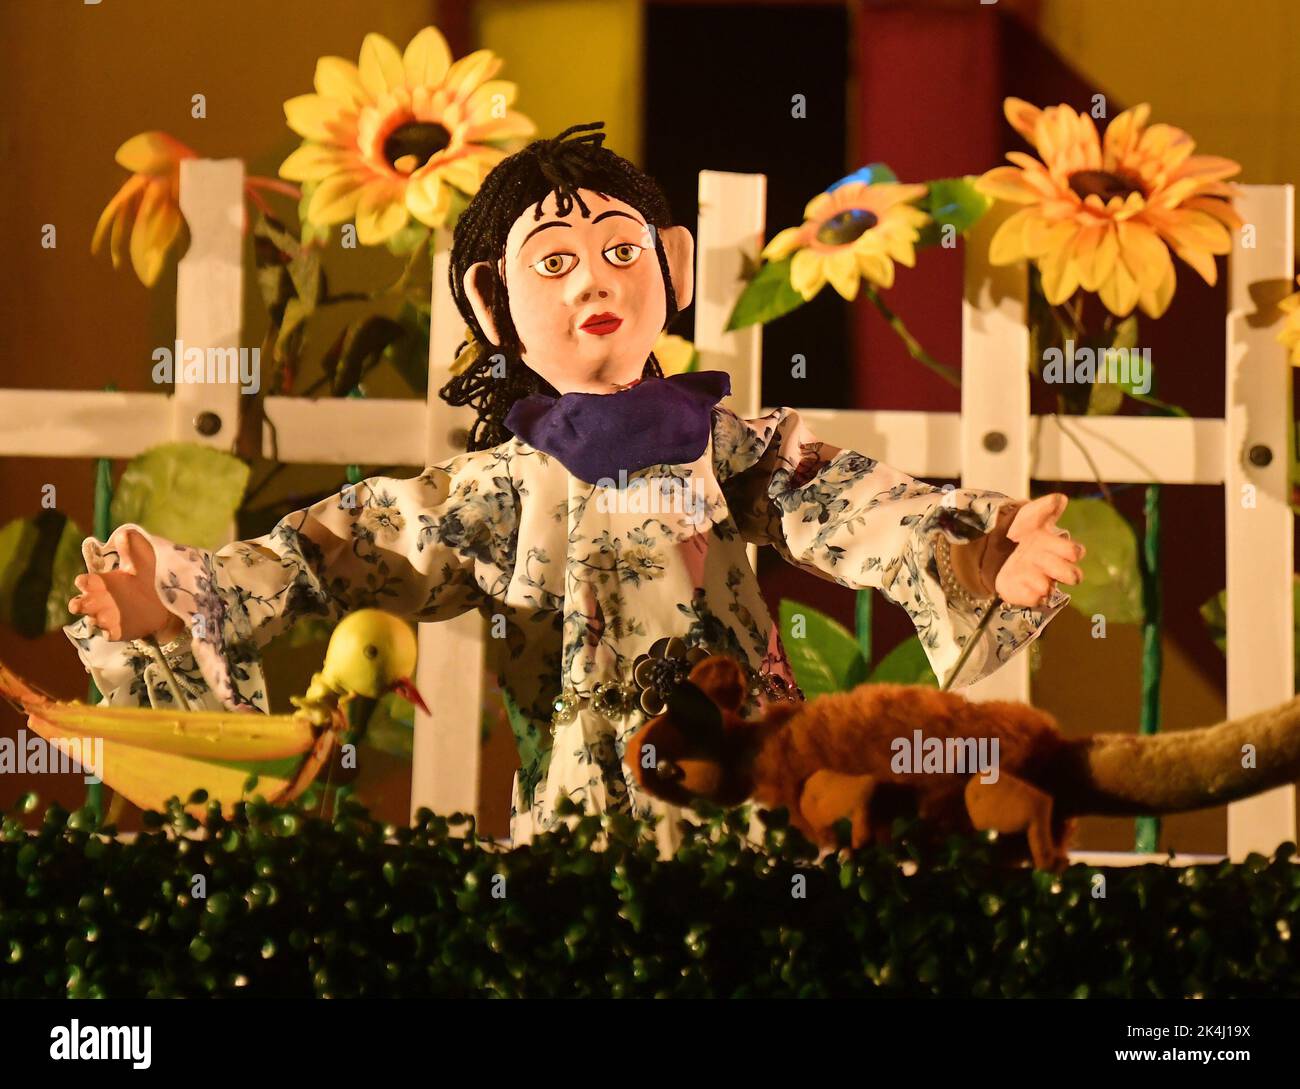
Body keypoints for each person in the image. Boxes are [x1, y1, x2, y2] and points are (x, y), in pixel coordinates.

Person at [66, 122, 1084, 852]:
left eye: (618, 250)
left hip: (758, 807)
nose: (593, 280)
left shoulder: (733, 450)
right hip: (578, 829)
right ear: (491, 300)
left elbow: (854, 507)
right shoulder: (494, 493)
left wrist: (980, 552)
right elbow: (338, 553)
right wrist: (182, 589)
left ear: (672, 266)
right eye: (551, 262)